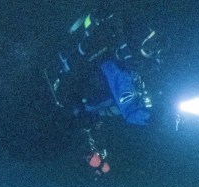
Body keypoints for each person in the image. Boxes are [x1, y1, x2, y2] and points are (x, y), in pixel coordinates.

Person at [47, 12, 162, 175]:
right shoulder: (117, 69)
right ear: (136, 44)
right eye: (150, 48)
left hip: (90, 106)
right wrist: (156, 118)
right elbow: (130, 111)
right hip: (80, 107)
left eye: (156, 47)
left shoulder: (120, 59)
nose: (155, 55)